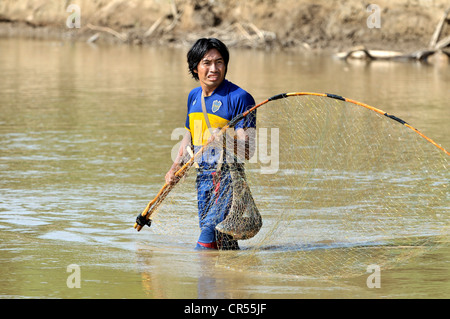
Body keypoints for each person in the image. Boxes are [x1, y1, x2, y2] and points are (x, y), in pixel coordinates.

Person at [165, 38, 256, 250]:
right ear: (195, 67)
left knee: (204, 246)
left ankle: (203, 281)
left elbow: (249, 150)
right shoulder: (193, 97)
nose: (214, 68)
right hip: (203, 180)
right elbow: (189, 137)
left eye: (219, 62)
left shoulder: (240, 98)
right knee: (222, 245)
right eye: (207, 62)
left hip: (229, 181)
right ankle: (236, 281)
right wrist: (176, 166)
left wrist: (225, 140)